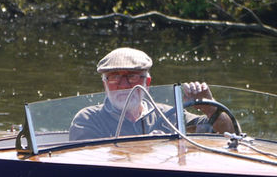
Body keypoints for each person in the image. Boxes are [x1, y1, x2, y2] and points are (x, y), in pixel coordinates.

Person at [69, 47, 235, 141]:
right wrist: (151, 145)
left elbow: (227, 136)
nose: (124, 85)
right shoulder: (87, 120)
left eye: (132, 76)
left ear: (146, 83)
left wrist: (210, 107)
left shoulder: (169, 116)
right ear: (105, 84)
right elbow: (89, 165)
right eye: (114, 77)